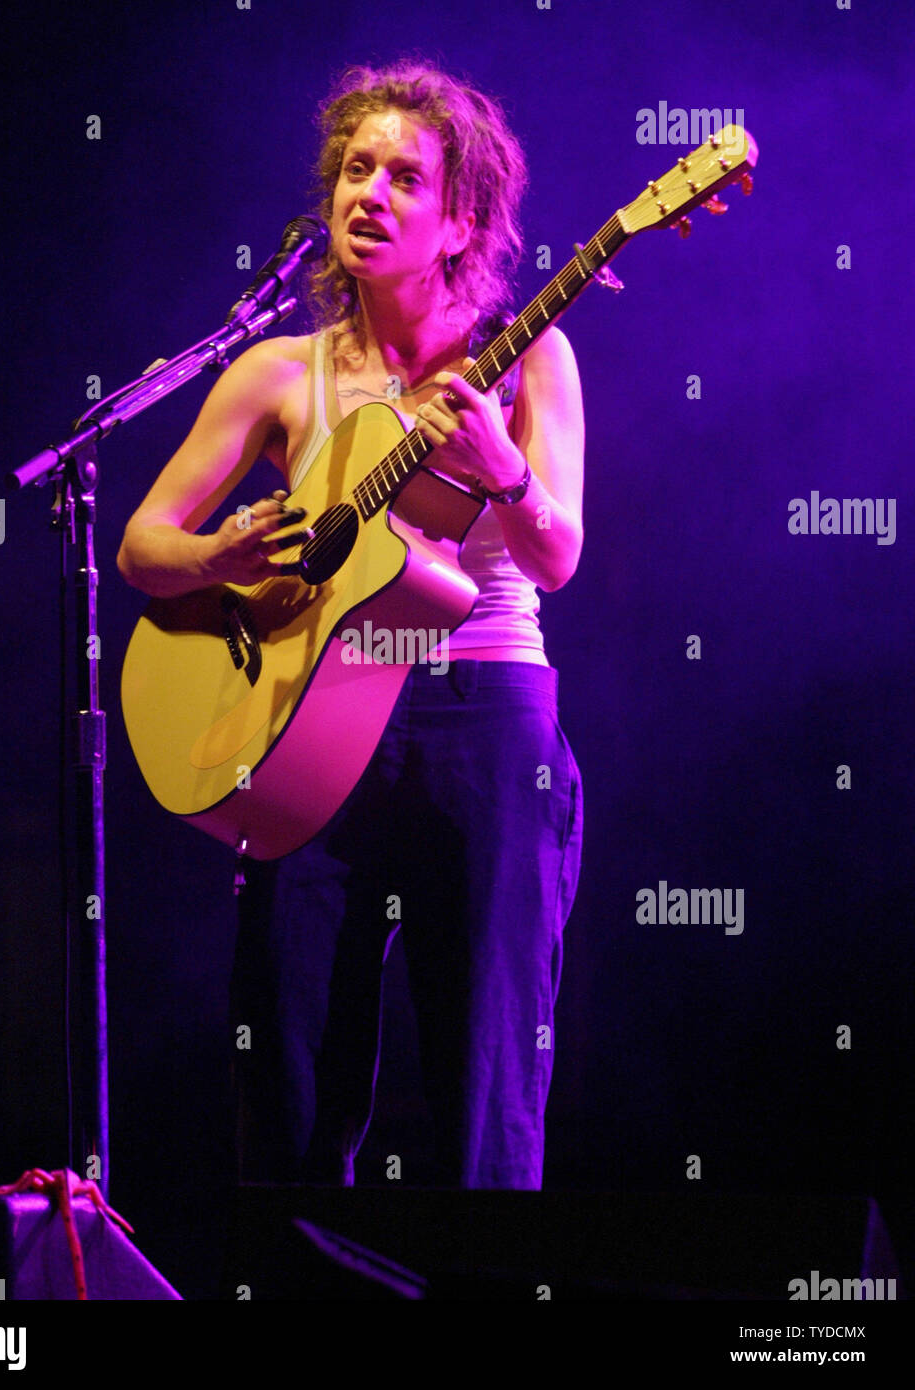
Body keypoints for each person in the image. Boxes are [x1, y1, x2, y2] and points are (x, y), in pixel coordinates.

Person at [117, 60, 584, 1189]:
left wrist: (504, 472)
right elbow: (142, 547)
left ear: (461, 217)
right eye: (352, 169)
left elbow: (555, 554)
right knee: (287, 1059)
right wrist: (222, 554)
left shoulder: (527, 356)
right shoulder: (276, 372)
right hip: (312, 717)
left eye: (403, 177)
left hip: (482, 714)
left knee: (481, 1074)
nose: (366, 192)